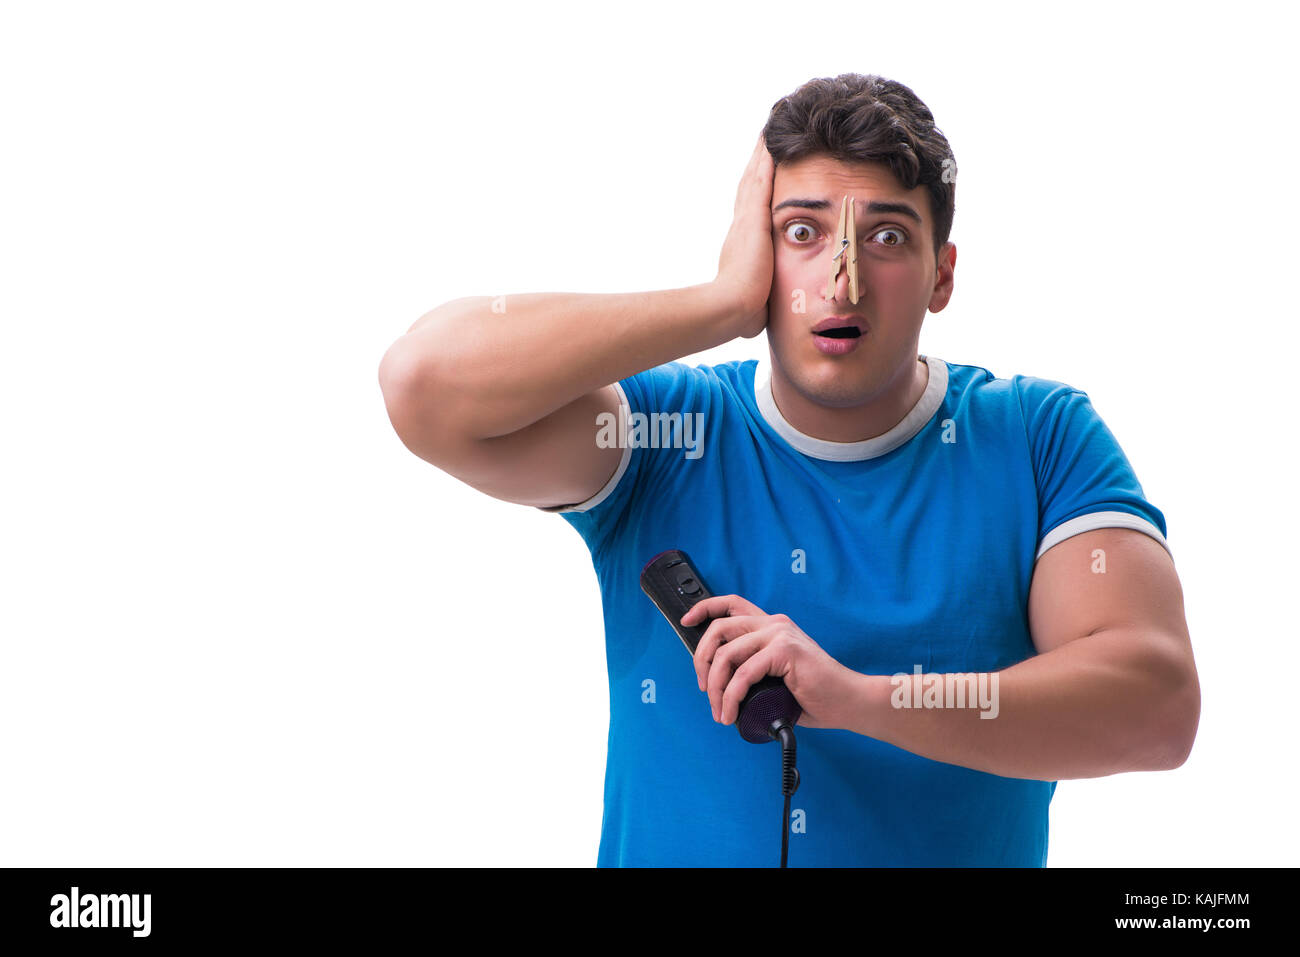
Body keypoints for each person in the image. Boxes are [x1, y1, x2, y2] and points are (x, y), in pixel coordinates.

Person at [377, 73, 1201, 866]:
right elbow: (422, 381)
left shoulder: (1038, 436)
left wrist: (860, 698)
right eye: (801, 233)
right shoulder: (666, 434)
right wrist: (722, 303)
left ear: (942, 274)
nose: (842, 282)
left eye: (885, 237)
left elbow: (1156, 704)